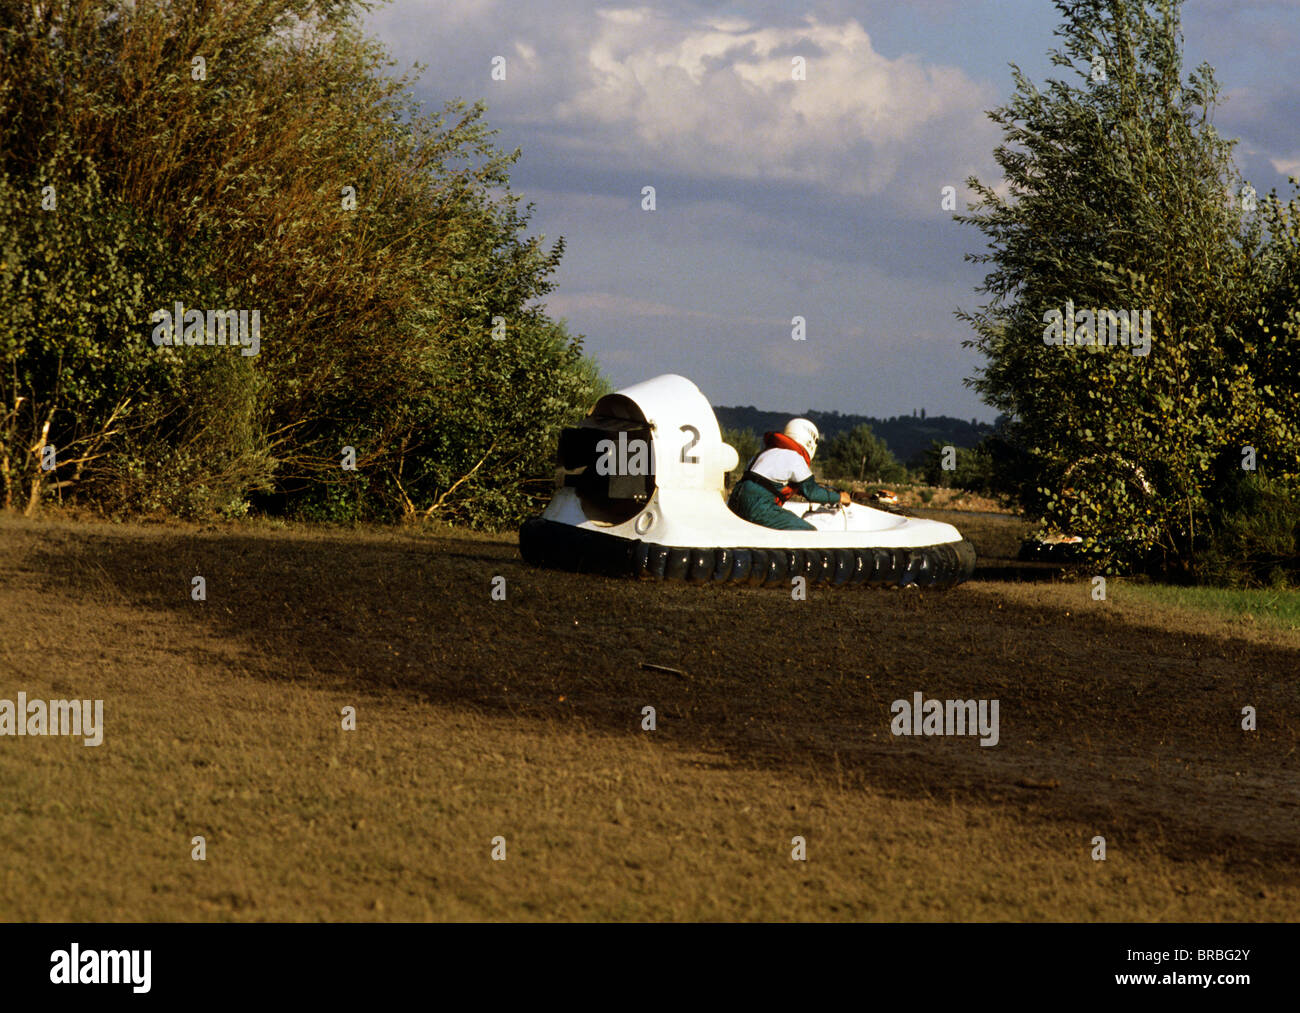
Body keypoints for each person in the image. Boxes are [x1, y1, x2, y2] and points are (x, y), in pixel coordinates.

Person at [727, 418, 850, 530]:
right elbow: (812, 493)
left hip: (734, 501)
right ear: (810, 441)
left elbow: (771, 482)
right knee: (808, 531)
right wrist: (840, 497)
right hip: (758, 506)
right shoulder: (795, 457)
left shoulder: (765, 453)